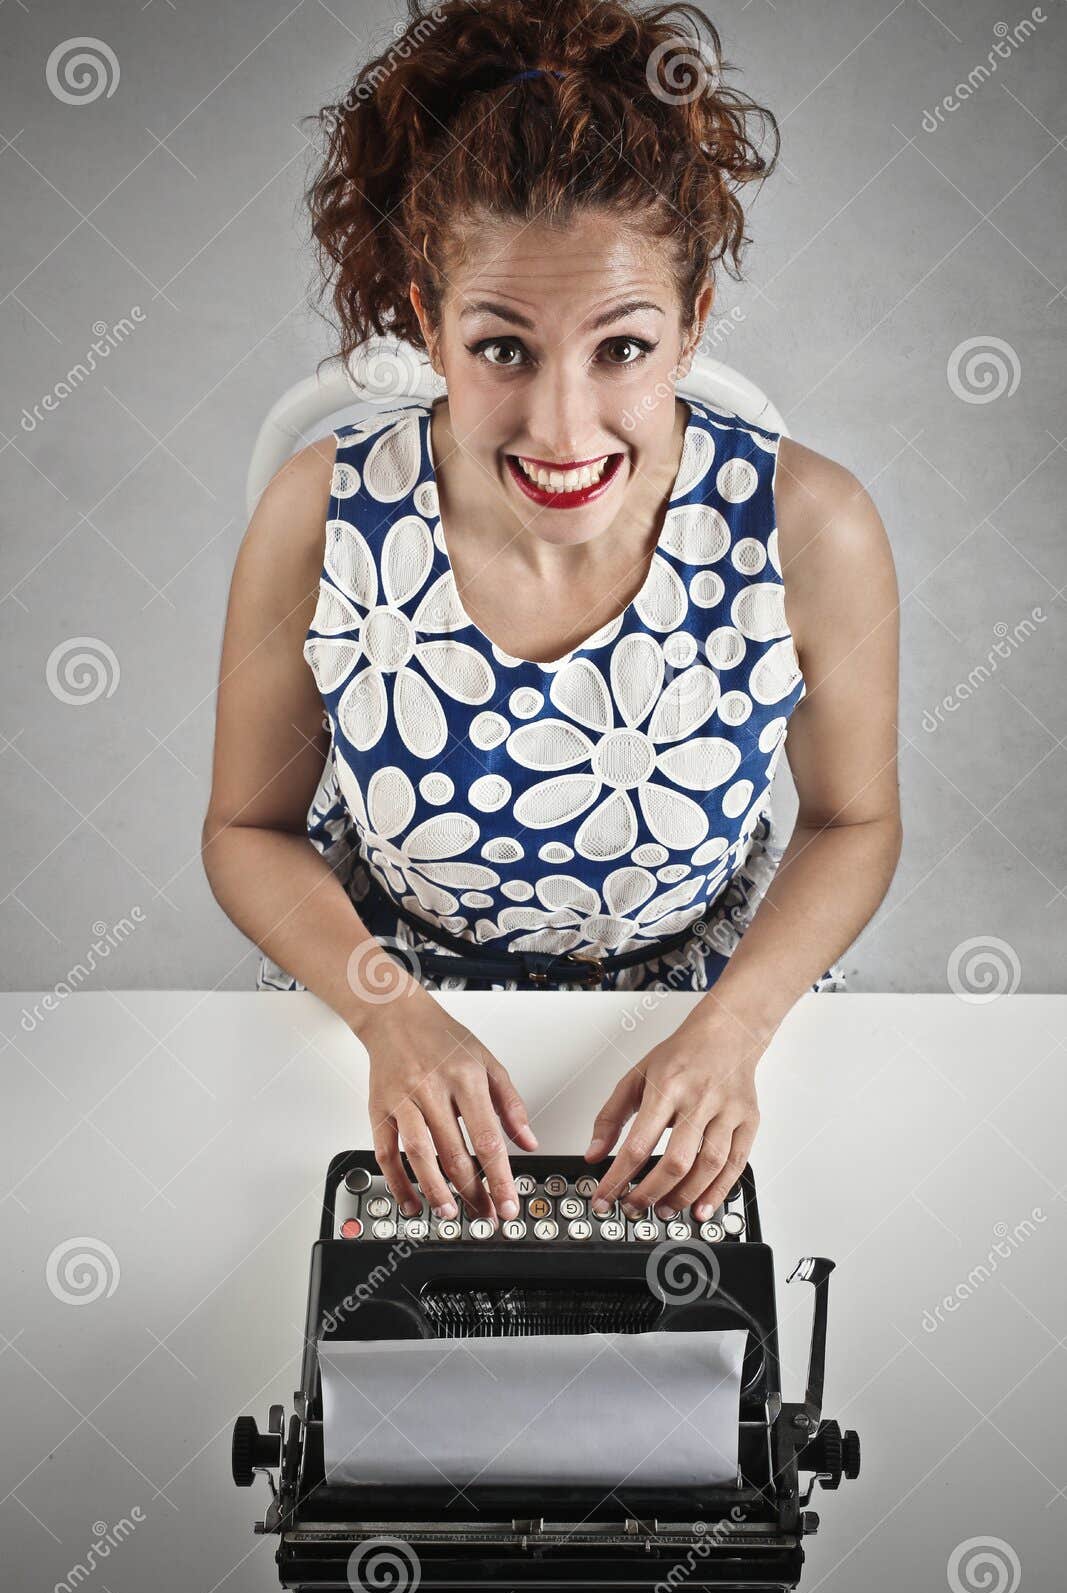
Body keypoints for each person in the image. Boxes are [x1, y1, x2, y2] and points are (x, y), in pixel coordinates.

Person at [202, 0, 902, 1236]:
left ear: (691, 325)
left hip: (702, 1010)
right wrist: (390, 1017)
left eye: (620, 349)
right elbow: (246, 829)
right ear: (428, 322)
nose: (564, 430)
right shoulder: (318, 516)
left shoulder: (814, 528)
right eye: (503, 350)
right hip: (389, 1003)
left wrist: (732, 1028)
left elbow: (853, 821)